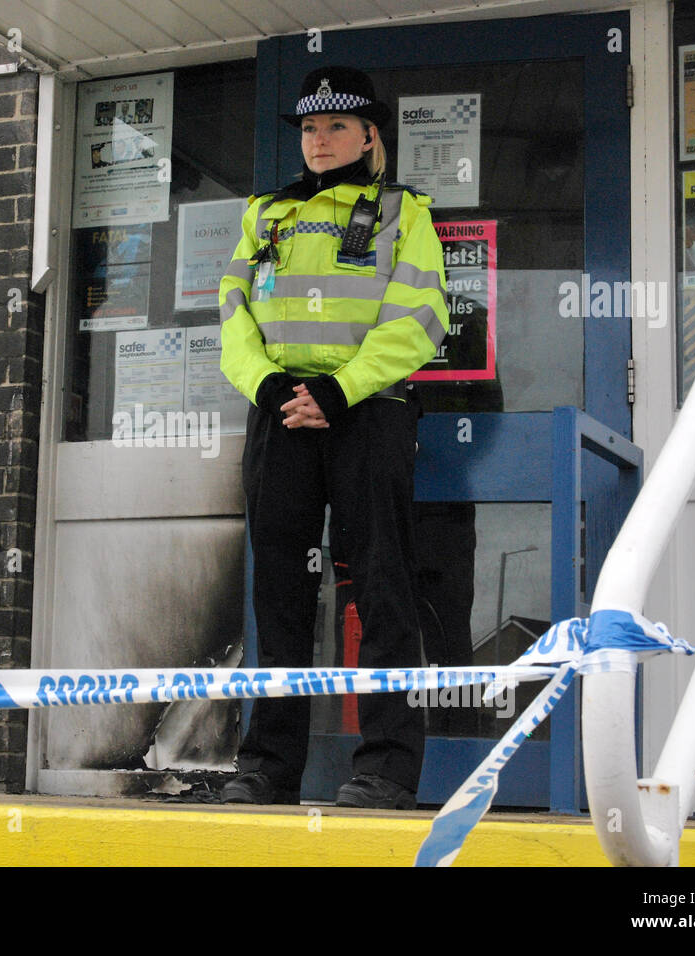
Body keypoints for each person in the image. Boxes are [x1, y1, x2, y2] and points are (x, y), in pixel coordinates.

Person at [218, 66, 450, 808]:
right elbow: (232, 315)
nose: (320, 141)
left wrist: (337, 390)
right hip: (279, 413)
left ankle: (385, 770)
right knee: (279, 597)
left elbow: (419, 316)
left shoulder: (403, 213)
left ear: (369, 134)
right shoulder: (264, 214)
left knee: (383, 590)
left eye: (337, 127)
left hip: (368, 411)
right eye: (310, 129)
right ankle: (266, 769)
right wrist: (265, 385)